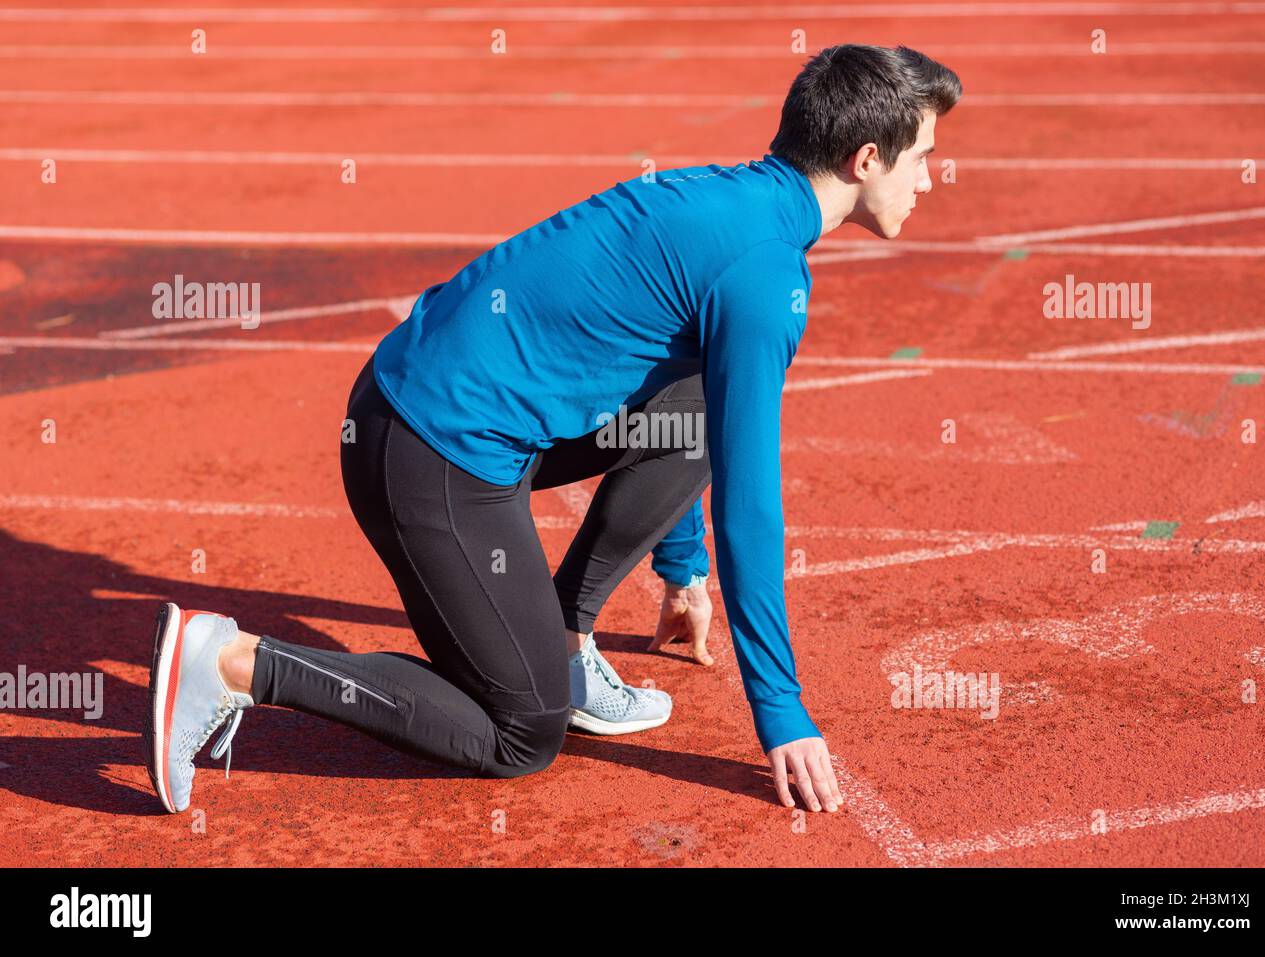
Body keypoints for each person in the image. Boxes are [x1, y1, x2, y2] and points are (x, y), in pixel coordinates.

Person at [145, 43, 961, 816]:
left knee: (702, 404)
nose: (930, 179)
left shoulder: (735, 201)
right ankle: (231, 663)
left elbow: (684, 402)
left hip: (428, 410)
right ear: (865, 158)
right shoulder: (766, 272)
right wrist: (779, 708)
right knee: (522, 731)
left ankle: (564, 642)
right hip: (428, 449)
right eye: (922, 156)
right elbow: (750, 500)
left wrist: (682, 571)